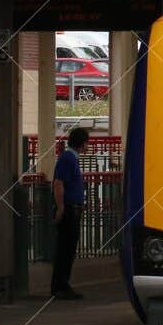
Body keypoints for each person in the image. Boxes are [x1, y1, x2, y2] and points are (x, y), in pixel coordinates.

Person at [51, 127, 89, 300]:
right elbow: (59, 183)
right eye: (87, 143)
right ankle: (60, 286)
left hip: (73, 208)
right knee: (66, 249)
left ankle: (62, 284)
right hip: (69, 209)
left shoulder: (71, 158)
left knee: (68, 249)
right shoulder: (68, 159)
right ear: (82, 144)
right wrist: (61, 207)